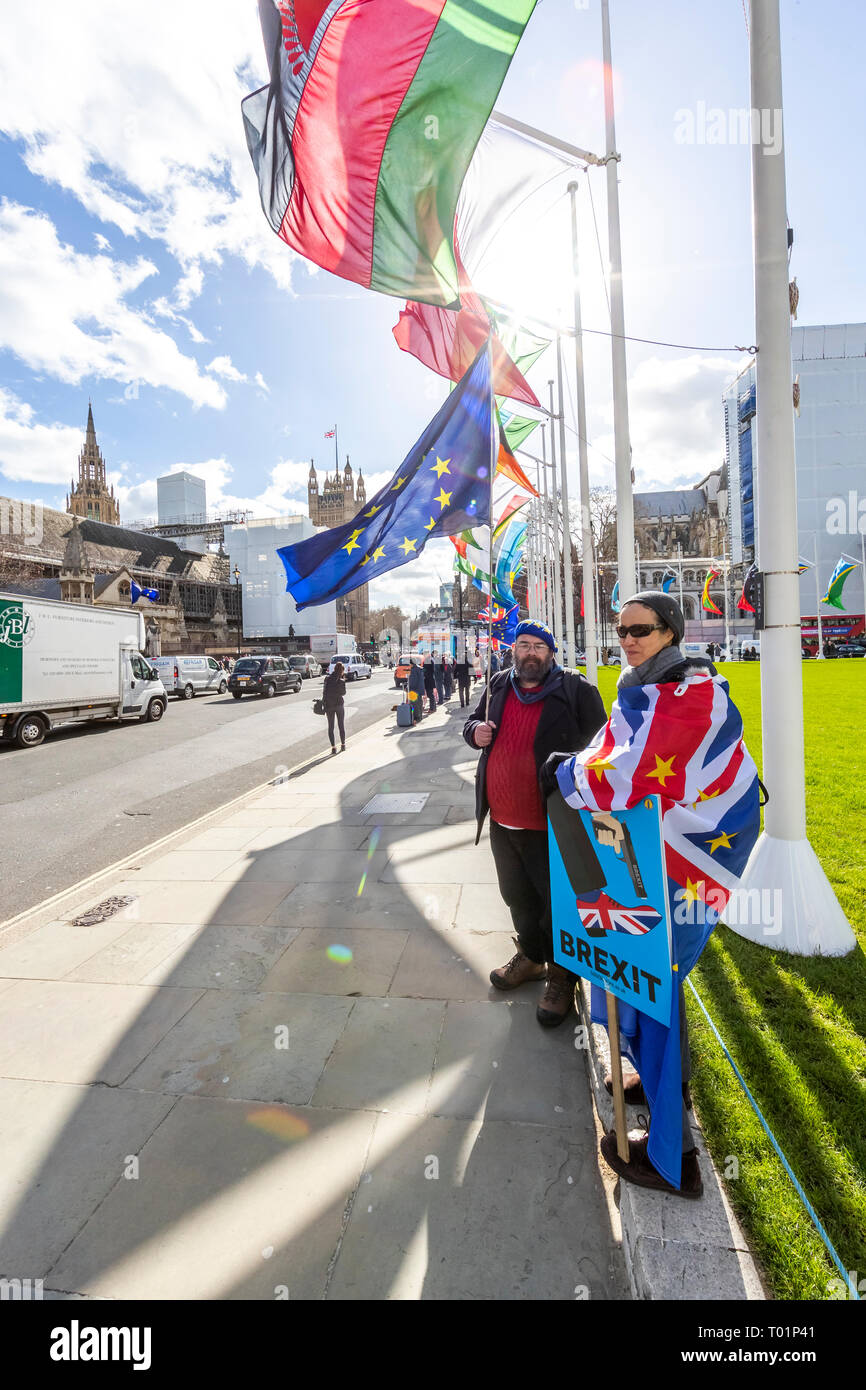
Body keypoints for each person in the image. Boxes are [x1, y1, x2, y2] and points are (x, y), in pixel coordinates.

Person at [542, 592, 760, 1198]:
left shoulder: (694, 696)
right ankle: (663, 1079)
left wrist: (565, 774)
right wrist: (579, 764)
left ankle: (674, 1159)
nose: (628, 638)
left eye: (641, 629)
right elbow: (611, 749)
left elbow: (632, 771)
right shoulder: (640, 686)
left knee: (654, 970)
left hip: (699, 850)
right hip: (666, 839)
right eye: (622, 629)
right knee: (640, 964)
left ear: (672, 633)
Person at [464, 620, 606, 1027]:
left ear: (551, 652)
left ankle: (562, 974)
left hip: (552, 824)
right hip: (502, 820)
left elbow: (600, 750)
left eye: (537, 647)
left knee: (556, 905)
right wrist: (475, 733)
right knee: (516, 897)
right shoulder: (498, 685)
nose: (529, 653)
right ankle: (531, 956)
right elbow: (471, 724)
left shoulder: (576, 690)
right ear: (514, 649)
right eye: (522, 645)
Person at [322, 660, 346, 753]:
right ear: (342, 671)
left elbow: (324, 691)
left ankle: (333, 747)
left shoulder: (327, 679)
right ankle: (343, 745)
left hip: (329, 705)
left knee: (330, 727)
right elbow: (343, 693)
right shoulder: (341, 681)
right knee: (341, 725)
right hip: (339, 704)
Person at [407, 655, 425, 724]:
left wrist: (408, 687)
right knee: (419, 703)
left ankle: (416, 718)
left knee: (414, 705)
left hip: (414, 690)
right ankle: (420, 716)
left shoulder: (413, 670)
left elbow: (413, 682)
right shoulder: (419, 668)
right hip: (420, 689)